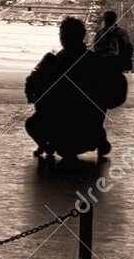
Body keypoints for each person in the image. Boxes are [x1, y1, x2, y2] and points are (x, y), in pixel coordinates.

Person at [24, 15, 127, 161]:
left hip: (57, 130)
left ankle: (47, 146)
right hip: (89, 131)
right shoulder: (97, 62)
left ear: (62, 37)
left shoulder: (52, 62)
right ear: (82, 37)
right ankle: (100, 140)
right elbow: (117, 95)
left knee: (31, 124)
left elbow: (31, 87)